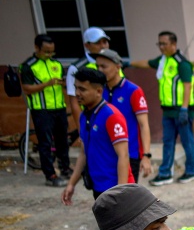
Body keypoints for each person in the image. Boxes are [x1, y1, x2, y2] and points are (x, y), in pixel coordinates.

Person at [130, 31, 194, 186]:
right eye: (159, 44)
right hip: (167, 110)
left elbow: (188, 87)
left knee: (187, 142)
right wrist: (129, 63)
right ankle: (165, 173)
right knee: (168, 142)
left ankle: (192, 170)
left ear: (173, 44)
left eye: (164, 44)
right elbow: (147, 63)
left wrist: (184, 109)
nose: (161, 47)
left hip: (181, 110)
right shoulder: (163, 60)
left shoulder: (182, 63)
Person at [61, 68, 133, 205]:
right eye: (76, 88)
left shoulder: (111, 116)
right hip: (98, 188)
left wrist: (121, 192)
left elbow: (123, 155)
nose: (77, 93)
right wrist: (71, 184)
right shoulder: (84, 116)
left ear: (99, 91)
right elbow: (83, 152)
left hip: (115, 188)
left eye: (82, 89)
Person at [20, 34, 70, 187]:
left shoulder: (56, 64)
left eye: (52, 52)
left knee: (62, 140)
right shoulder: (28, 66)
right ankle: (50, 175)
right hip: (41, 110)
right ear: (37, 48)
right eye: (46, 51)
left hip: (59, 107)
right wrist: (47, 84)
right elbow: (27, 88)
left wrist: (63, 83)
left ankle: (65, 168)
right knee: (45, 143)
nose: (49, 55)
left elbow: (62, 81)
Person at [95, 49, 152, 180]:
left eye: (104, 66)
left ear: (117, 67)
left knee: (126, 196)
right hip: (104, 155)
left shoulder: (133, 91)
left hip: (129, 154)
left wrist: (146, 156)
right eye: (97, 66)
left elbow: (144, 125)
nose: (100, 70)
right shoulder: (98, 91)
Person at [66, 27, 110, 131]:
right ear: (87, 45)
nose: (103, 46)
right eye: (98, 43)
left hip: (111, 115)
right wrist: (82, 130)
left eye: (105, 42)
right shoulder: (76, 68)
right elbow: (74, 101)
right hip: (91, 118)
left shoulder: (113, 63)